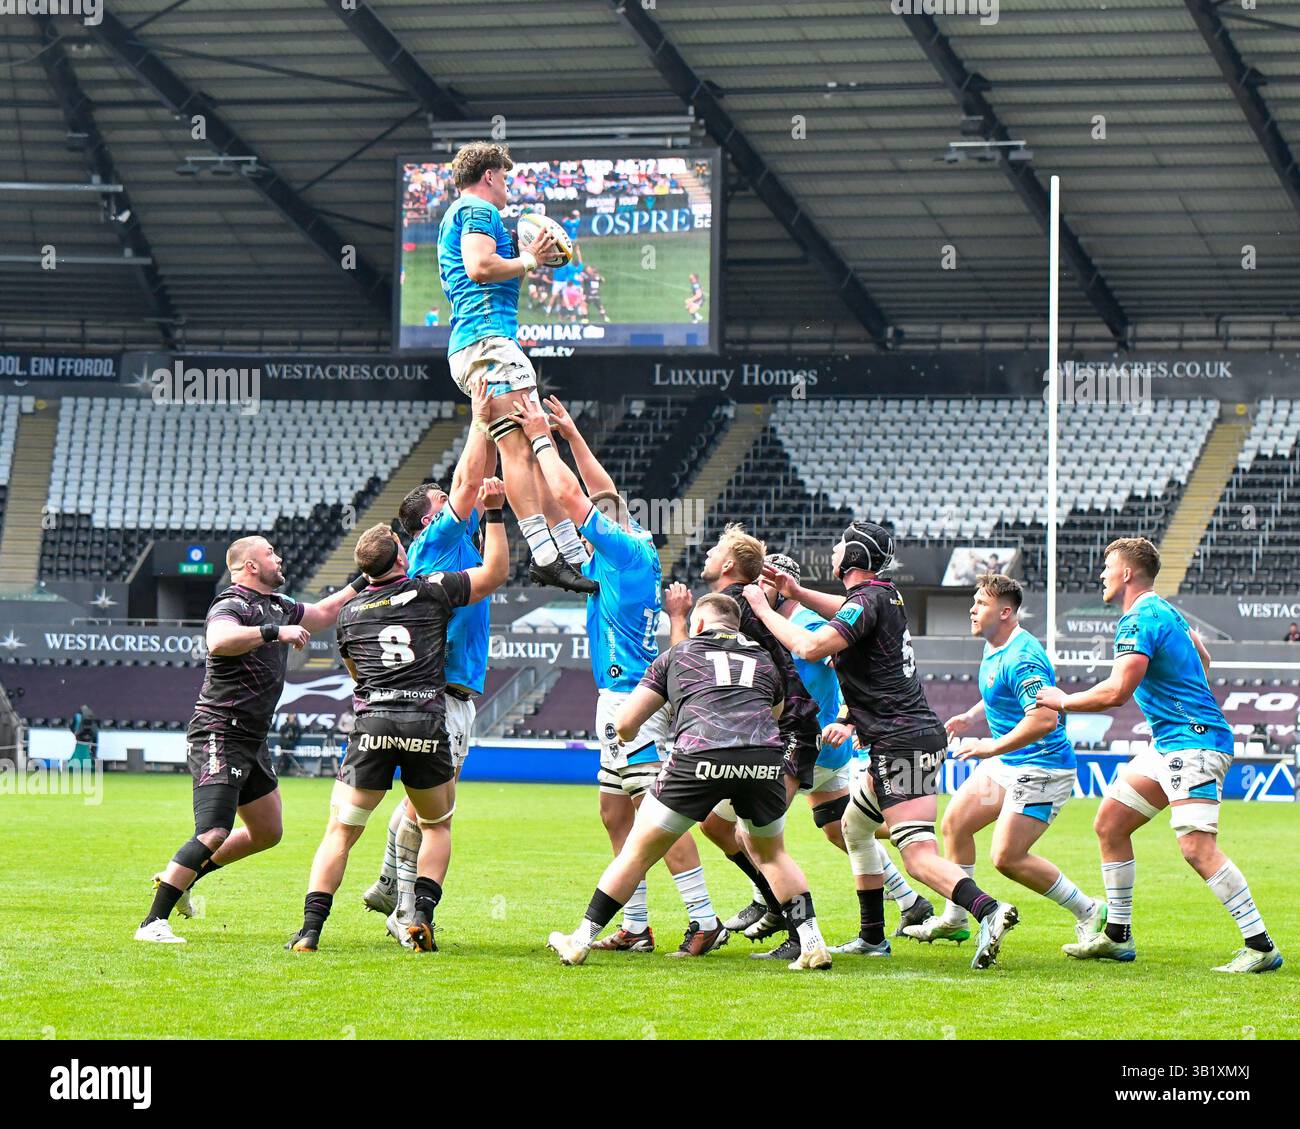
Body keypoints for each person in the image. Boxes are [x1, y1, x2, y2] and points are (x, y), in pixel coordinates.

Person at [743, 521, 1020, 970]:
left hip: (901, 744)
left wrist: (763, 607)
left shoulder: (870, 599)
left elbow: (812, 645)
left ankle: (988, 910)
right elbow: (845, 608)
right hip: (905, 739)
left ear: (852, 556)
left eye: (838, 545)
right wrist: (796, 590)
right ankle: (872, 936)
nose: (832, 550)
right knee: (854, 828)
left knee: (916, 854)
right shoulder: (884, 595)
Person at [514, 394, 725, 956]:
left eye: (589, 529)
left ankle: (704, 919)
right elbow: (600, 494)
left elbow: (571, 497)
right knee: (615, 811)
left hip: (634, 698)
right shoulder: (627, 548)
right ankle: (635, 927)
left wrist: (539, 438)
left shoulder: (623, 555)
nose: (581, 537)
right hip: (616, 694)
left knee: (657, 815)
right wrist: (573, 436)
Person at [1035, 537, 1282, 973]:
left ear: (1127, 573)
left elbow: (1116, 693)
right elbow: (1202, 655)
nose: (1102, 575)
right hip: (1171, 742)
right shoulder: (1166, 611)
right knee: (1110, 822)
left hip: (1192, 742)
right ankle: (1117, 937)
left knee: (1196, 847)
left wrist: (1062, 700)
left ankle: (1260, 945)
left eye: (1107, 566)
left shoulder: (1138, 620)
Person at [546, 594, 831, 971]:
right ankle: (812, 941)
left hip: (700, 756)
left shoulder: (676, 656)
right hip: (763, 762)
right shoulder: (764, 657)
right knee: (773, 854)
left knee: (638, 850)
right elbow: (776, 713)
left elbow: (629, 722)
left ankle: (580, 939)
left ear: (697, 625)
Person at [286, 514, 508, 953]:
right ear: (402, 555)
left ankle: (310, 931)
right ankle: (418, 916)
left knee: (340, 832)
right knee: (437, 825)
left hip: (372, 725)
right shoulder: (431, 590)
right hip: (425, 720)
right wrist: (496, 513)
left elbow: (355, 675)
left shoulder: (349, 614)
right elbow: (495, 573)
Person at [135, 536, 364, 943]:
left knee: (266, 831)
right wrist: (274, 632)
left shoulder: (279, 604)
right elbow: (219, 641)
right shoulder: (232, 603)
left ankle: (181, 878)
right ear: (251, 566)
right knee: (213, 832)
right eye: (271, 552)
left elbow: (327, 612)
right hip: (220, 732)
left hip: (251, 738)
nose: (280, 557)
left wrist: (369, 577)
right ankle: (152, 922)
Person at [361, 383, 509, 944]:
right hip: (440, 693)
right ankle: (404, 907)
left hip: (450, 690)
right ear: (426, 521)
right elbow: (469, 482)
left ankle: (385, 884)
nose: (452, 506)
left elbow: (474, 490)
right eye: (441, 504)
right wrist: (483, 420)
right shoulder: (440, 541)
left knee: (426, 805)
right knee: (435, 811)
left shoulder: (454, 546)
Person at [905, 573, 1102, 946]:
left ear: (1006, 611)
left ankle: (1090, 910)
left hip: (1042, 767)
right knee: (956, 823)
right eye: (974, 602)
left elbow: (1045, 718)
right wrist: (971, 717)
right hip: (1011, 762)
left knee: (1007, 857)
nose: (972, 608)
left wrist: (991, 747)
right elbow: (1000, 691)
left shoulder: (1024, 657)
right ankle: (955, 918)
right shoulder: (996, 644)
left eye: (981, 603)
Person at [437, 140, 594, 595]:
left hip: (480, 343)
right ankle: (548, 555)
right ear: (489, 176)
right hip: (488, 343)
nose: (507, 185)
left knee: (533, 441)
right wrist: (529, 259)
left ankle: (568, 551)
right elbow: (480, 267)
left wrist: (531, 257)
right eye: (504, 177)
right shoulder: (477, 210)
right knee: (524, 448)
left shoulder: (465, 214)